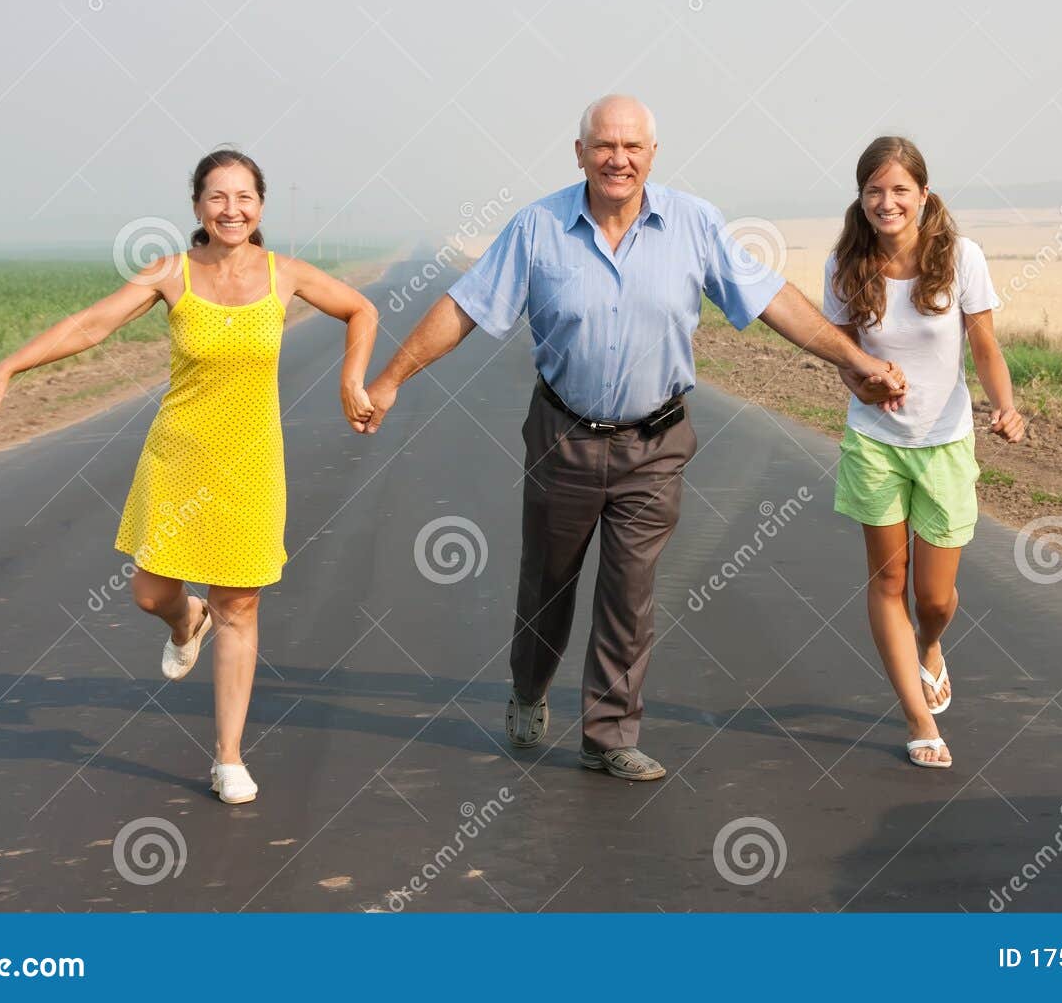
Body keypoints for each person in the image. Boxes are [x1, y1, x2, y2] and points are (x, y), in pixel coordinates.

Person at [360, 95, 906, 781]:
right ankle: (529, 685)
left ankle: (608, 733)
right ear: (581, 151)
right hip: (563, 435)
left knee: (630, 590)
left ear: (652, 155)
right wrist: (390, 379)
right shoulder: (539, 227)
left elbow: (770, 299)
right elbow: (466, 307)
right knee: (548, 588)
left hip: (655, 441)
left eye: (632, 147)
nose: (618, 158)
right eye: (604, 145)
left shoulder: (693, 223)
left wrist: (853, 360)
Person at [0, 149, 378, 804]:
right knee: (149, 594)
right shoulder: (172, 274)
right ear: (197, 208)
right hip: (177, 459)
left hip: (251, 465)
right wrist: (8, 367)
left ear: (261, 207)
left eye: (244, 197)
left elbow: (361, 310)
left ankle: (229, 756)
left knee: (239, 605)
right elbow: (91, 324)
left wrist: (351, 377)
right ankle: (186, 620)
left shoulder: (285, 274)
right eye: (218, 197)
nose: (231, 209)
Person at [822, 135, 1025, 770]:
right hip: (875, 442)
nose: (887, 202)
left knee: (934, 599)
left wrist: (1005, 405)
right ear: (860, 199)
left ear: (923, 194)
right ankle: (918, 720)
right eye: (874, 191)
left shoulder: (961, 257)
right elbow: (842, 356)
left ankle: (931, 645)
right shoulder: (844, 264)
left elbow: (984, 346)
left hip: (944, 443)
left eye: (899, 190)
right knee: (889, 582)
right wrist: (864, 381)